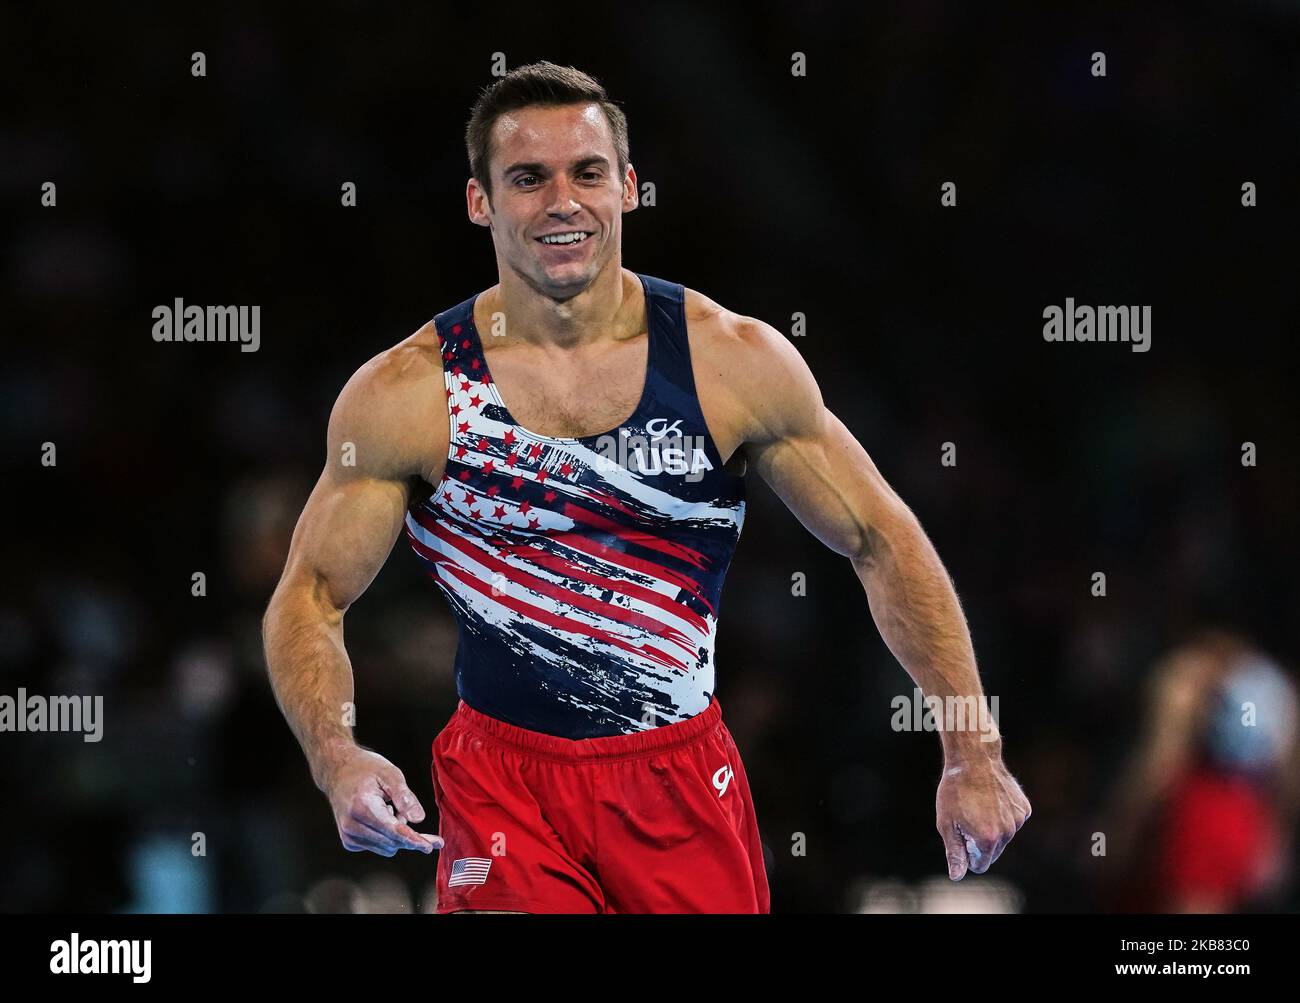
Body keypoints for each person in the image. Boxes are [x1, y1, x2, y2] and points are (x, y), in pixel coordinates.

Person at [262, 61, 1030, 913]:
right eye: (528, 178)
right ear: (480, 201)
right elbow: (312, 594)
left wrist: (973, 751)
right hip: (502, 787)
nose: (562, 201)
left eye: (587, 173)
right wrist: (338, 757)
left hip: (677, 785)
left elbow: (880, 538)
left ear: (628, 188)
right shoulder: (410, 394)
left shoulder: (729, 362)